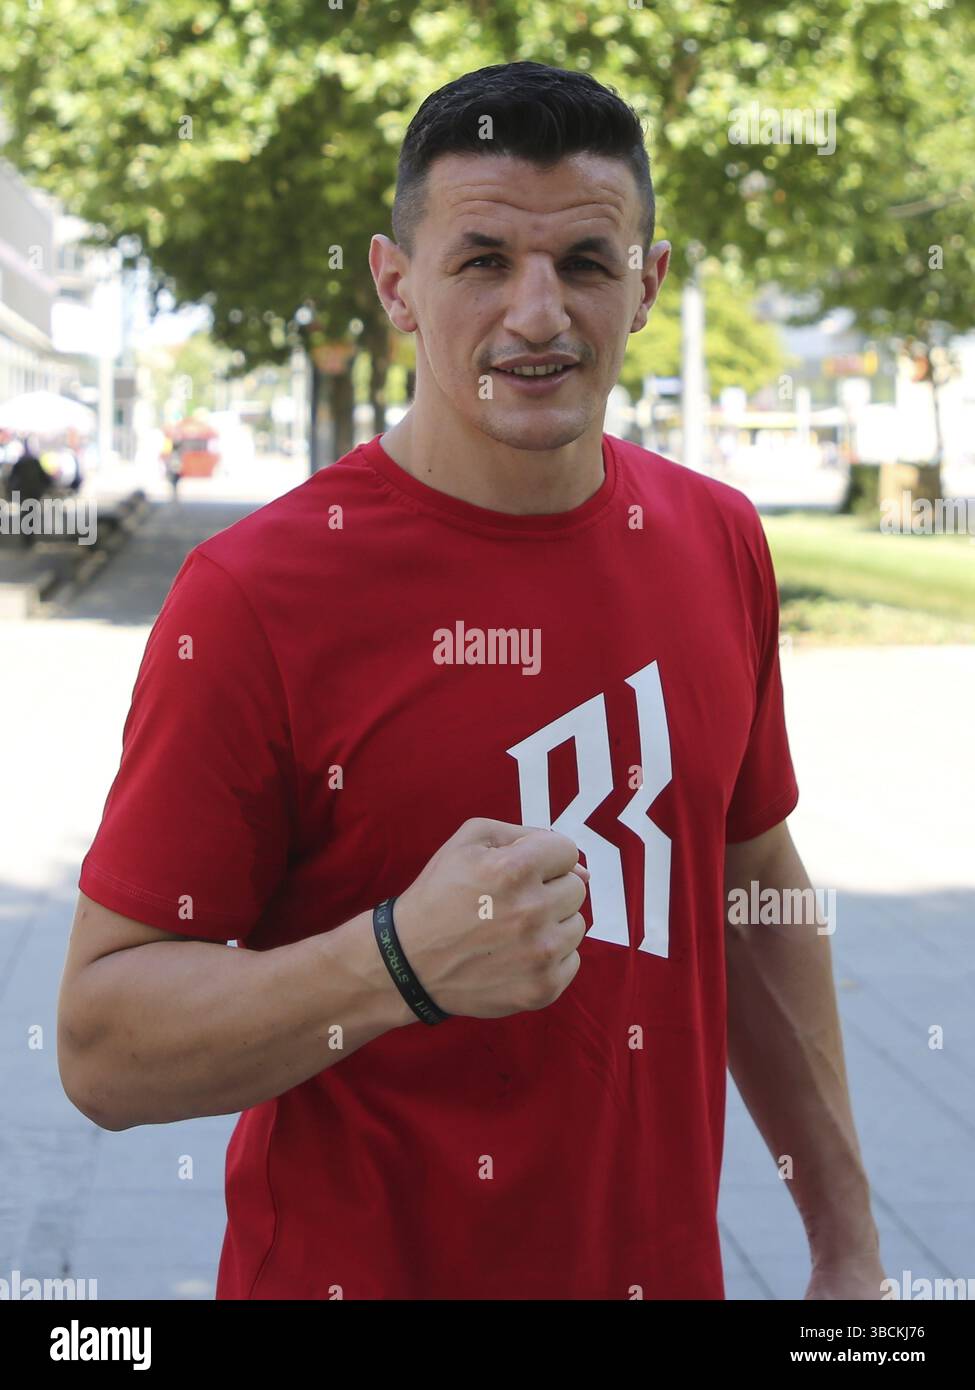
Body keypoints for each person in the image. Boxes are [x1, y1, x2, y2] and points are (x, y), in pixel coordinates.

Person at [59, 62, 884, 1302]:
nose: (540, 313)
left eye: (587, 263)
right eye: (484, 258)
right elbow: (100, 1047)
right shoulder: (256, 595)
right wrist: (393, 964)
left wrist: (849, 1250)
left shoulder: (717, 539)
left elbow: (751, 887)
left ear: (649, 285)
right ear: (397, 283)